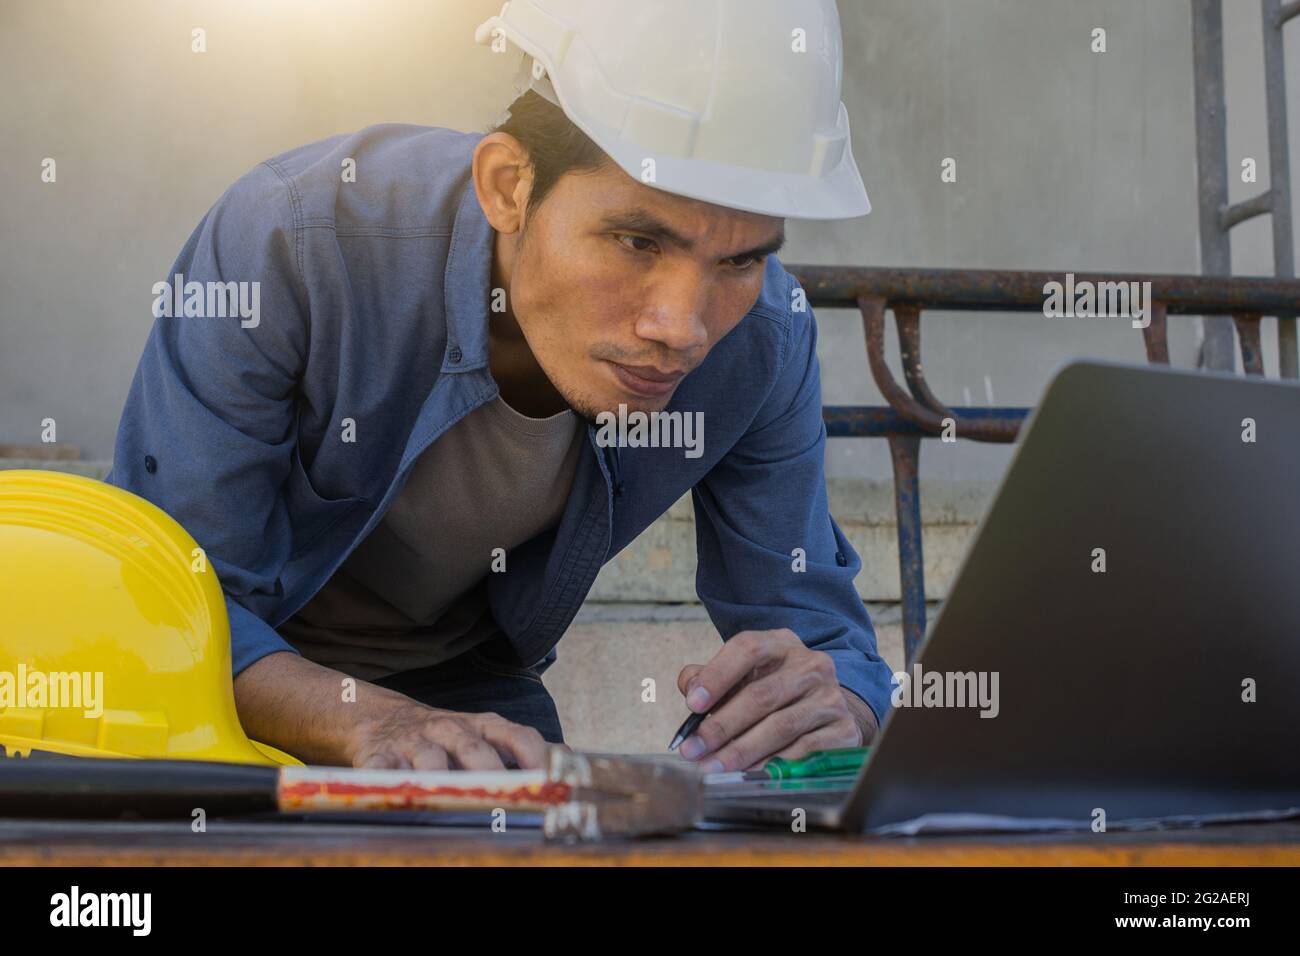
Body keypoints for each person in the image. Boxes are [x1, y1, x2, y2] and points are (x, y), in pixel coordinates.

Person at [108, 0, 891, 773]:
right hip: (215, 691)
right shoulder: (292, 239)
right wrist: (367, 723)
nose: (682, 328)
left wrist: (834, 705)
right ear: (508, 185)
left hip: (468, 693)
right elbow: (167, 608)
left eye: (741, 259)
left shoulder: (763, 336)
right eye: (635, 241)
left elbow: (822, 635)